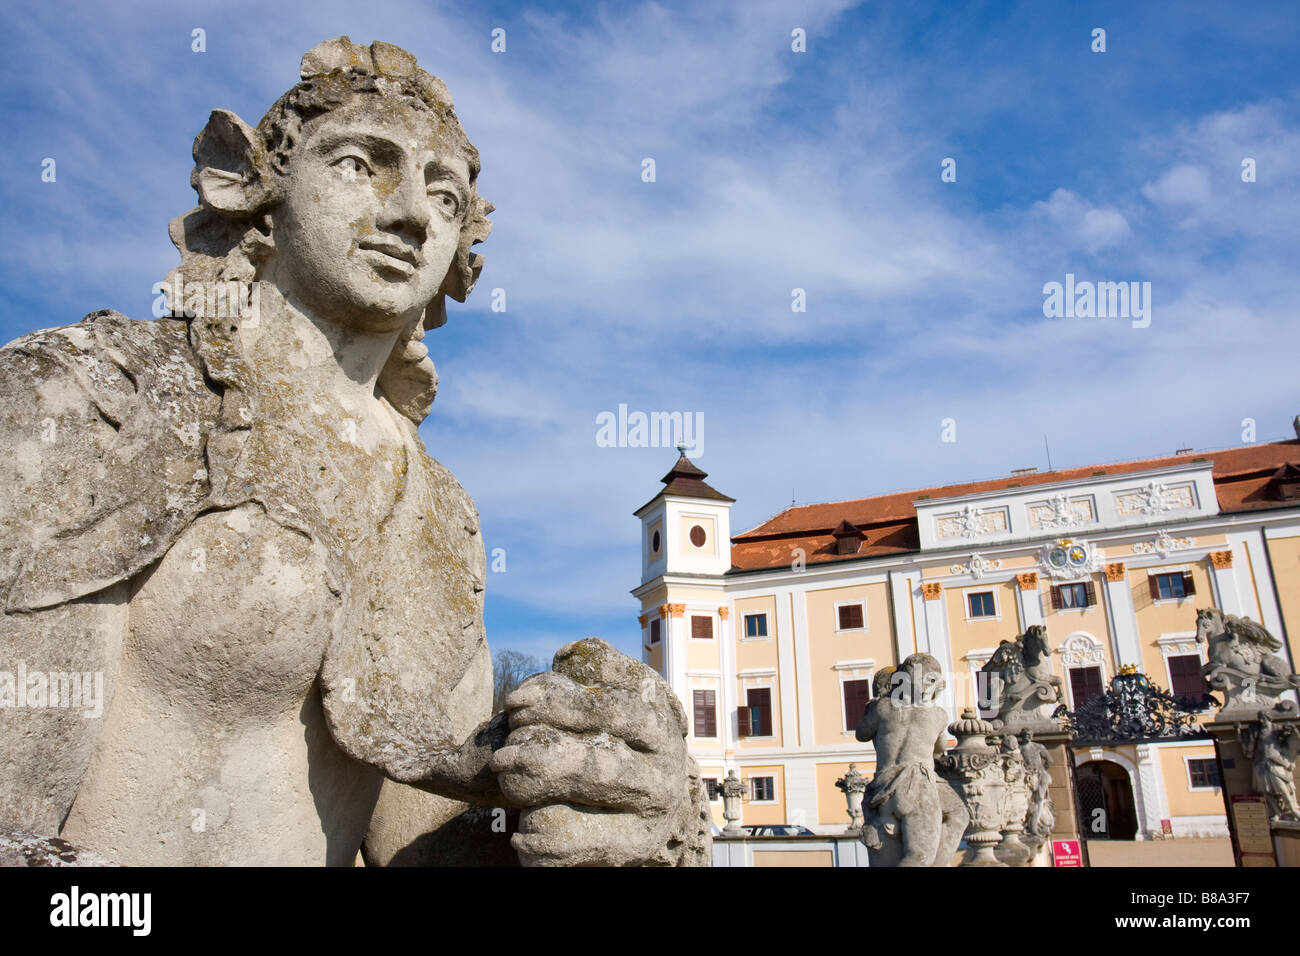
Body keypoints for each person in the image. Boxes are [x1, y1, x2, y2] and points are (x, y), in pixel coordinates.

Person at [0, 37, 707, 867]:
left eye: (445, 198)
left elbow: (419, 850)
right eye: (360, 165)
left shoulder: (442, 513)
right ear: (260, 190)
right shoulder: (91, 396)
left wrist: (592, 814)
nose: (411, 214)